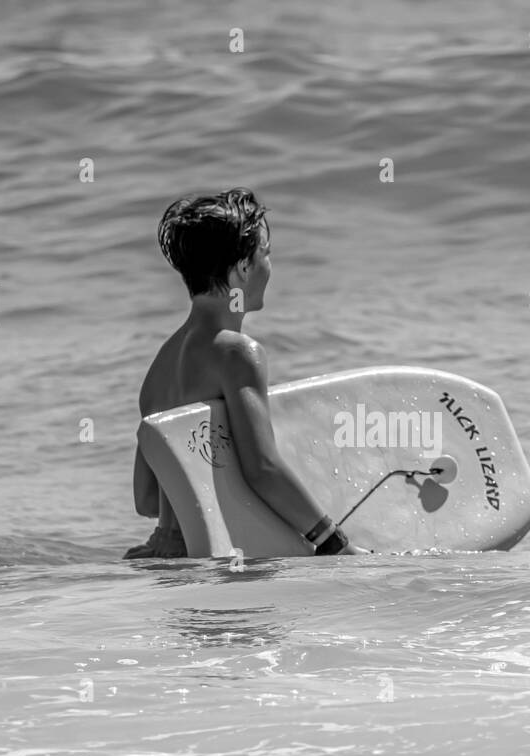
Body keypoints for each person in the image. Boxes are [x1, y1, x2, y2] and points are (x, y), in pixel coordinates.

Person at [124, 187, 369, 559]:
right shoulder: (236, 353)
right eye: (265, 255)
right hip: (215, 558)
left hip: (165, 555)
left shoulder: (161, 365)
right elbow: (263, 469)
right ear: (243, 267)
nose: (269, 266)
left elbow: (146, 499)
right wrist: (334, 543)